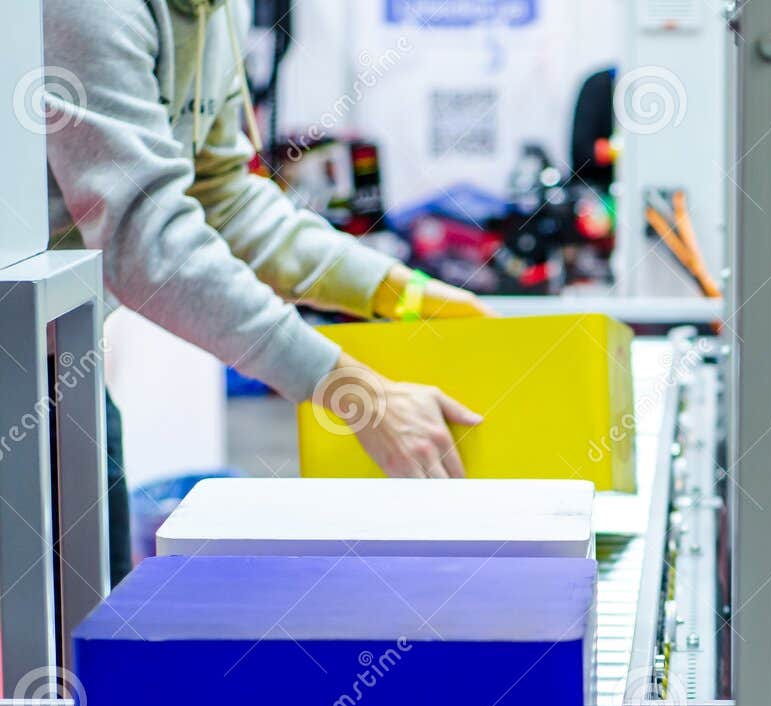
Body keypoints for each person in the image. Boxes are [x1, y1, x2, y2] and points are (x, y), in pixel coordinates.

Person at [42, 0, 491, 521]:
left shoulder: (219, 14)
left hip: (63, 369)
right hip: (17, 368)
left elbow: (222, 196)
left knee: (100, 593)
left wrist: (399, 290)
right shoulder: (88, 9)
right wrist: (351, 388)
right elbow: (144, 241)